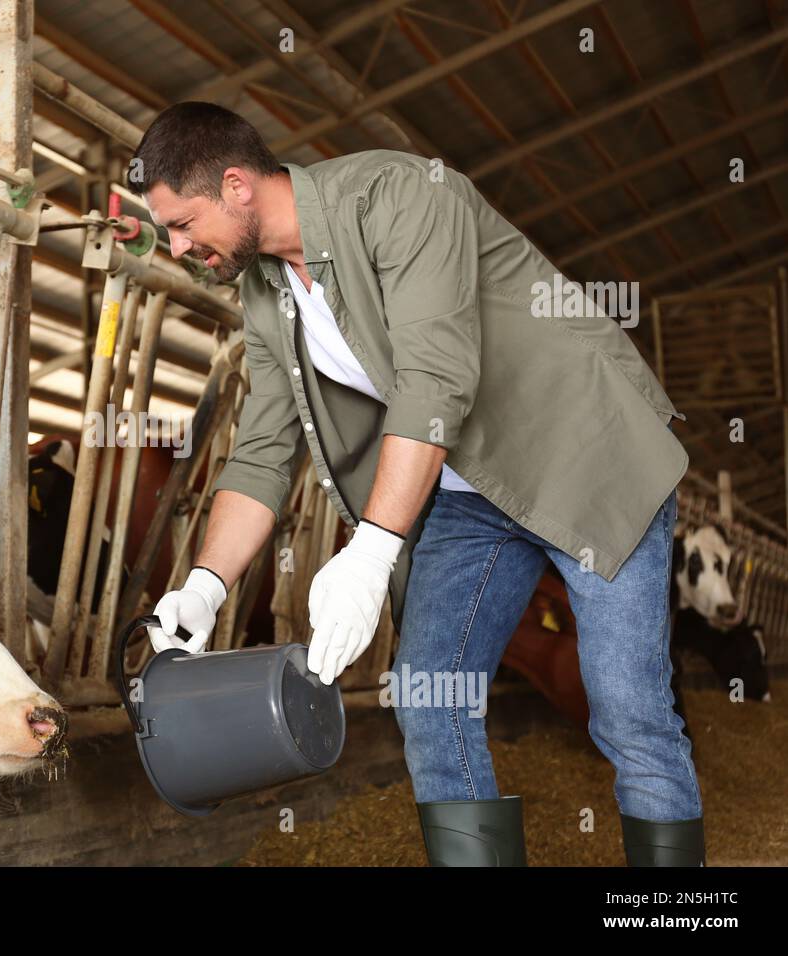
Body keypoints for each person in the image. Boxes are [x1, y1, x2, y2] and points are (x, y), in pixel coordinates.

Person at [128, 101, 703, 867]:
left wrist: (371, 551)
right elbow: (265, 448)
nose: (177, 245)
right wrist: (203, 587)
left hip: (586, 453)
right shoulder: (265, 294)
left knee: (628, 708)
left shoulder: (402, 196)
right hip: (471, 493)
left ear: (237, 185)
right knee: (431, 697)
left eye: (182, 222)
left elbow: (435, 380)